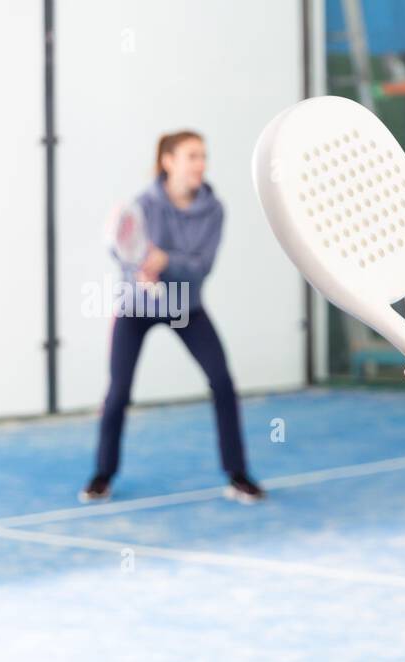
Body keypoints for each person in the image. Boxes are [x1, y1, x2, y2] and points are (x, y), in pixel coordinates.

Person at [80, 130, 265, 504]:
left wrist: (166, 262)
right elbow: (124, 252)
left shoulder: (214, 210)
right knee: (118, 392)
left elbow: (202, 267)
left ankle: (238, 474)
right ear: (168, 161)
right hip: (136, 308)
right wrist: (139, 271)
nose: (201, 164)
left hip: (186, 306)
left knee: (222, 383)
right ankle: (102, 474)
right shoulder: (143, 205)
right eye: (192, 156)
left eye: (203, 156)